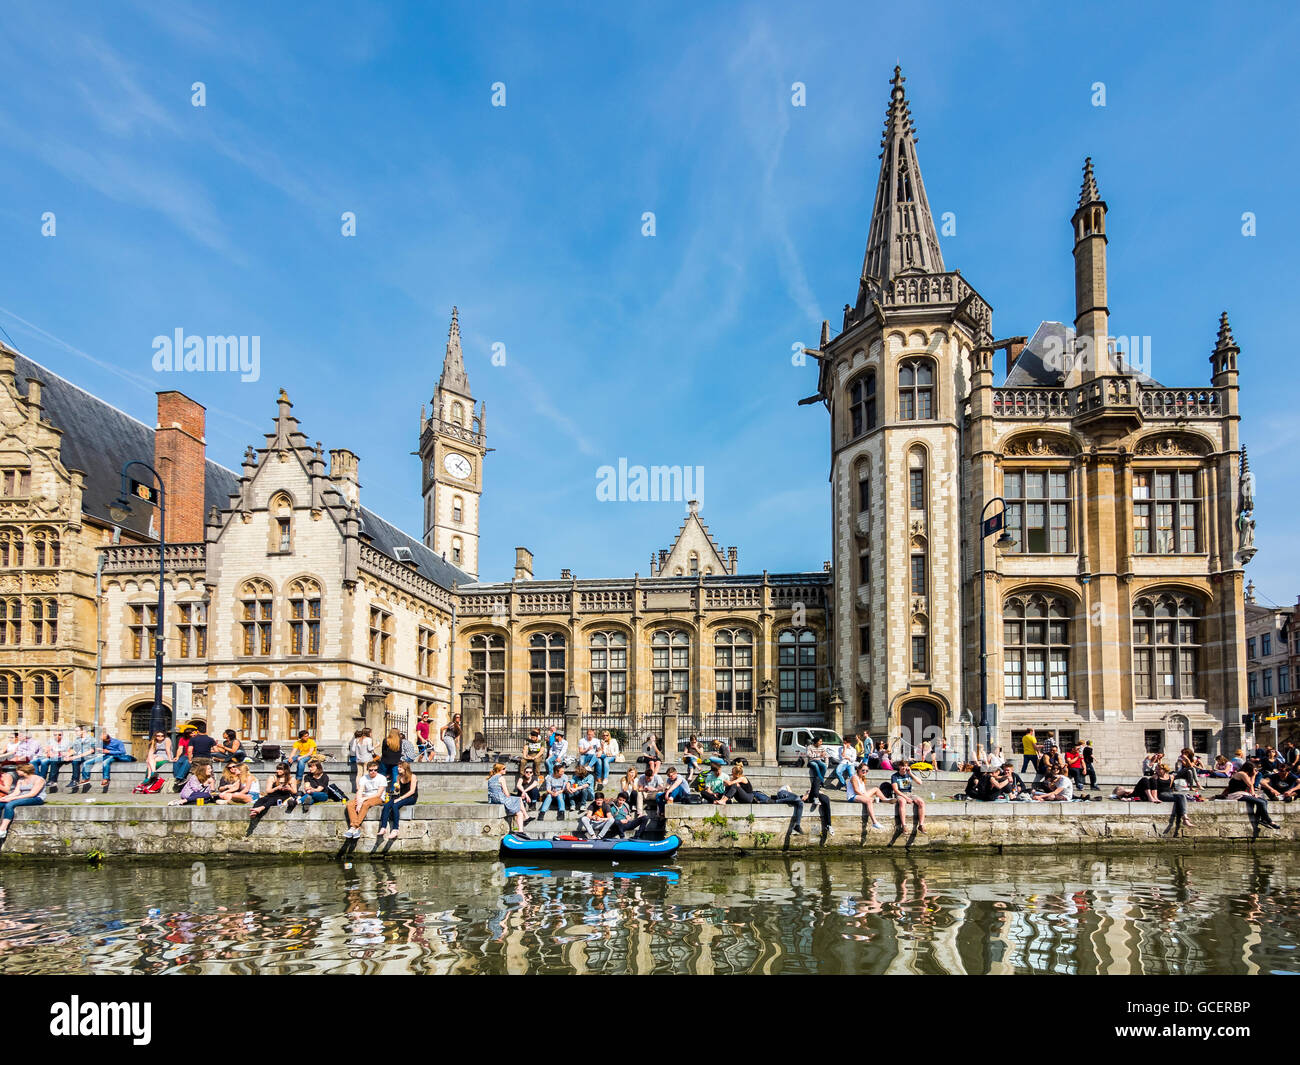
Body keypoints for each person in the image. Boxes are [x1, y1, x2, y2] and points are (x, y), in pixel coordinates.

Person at [1217, 757, 1280, 835]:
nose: (1255, 771)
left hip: (1243, 793)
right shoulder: (1242, 773)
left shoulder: (1245, 774)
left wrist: (1254, 794)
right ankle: (1269, 821)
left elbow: (1251, 786)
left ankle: (1261, 819)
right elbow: (1250, 784)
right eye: (1254, 769)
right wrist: (1253, 775)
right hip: (1236, 795)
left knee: (1264, 801)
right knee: (1261, 802)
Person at [0, 763, 46, 840]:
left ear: (24, 770)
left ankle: (3, 829)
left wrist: (13, 799)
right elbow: (16, 792)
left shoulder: (39, 779)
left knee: (10, 804)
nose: (16, 771)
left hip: (36, 798)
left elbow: (32, 794)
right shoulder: (21, 780)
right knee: (1, 803)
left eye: (18, 770)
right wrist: (5, 798)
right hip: (21, 797)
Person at [343, 761, 386, 838]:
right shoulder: (364, 778)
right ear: (368, 770)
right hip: (364, 796)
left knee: (366, 804)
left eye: (375, 770)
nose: (373, 772)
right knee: (350, 805)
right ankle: (356, 829)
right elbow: (360, 790)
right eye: (371, 770)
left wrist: (363, 799)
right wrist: (359, 801)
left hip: (378, 798)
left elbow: (378, 794)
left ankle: (354, 826)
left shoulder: (382, 778)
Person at [377, 762, 419, 841]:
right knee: (386, 805)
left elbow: (412, 791)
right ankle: (383, 827)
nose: (398, 768)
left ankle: (395, 829)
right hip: (401, 796)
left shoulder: (413, 776)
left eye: (400, 767)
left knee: (395, 805)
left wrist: (400, 798)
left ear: (405, 768)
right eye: (398, 767)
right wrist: (397, 788)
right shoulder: (398, 777)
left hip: (411, 797)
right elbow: (398, 790)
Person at [487, 762, 526, 832]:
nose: (505, 770)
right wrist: (511, 796)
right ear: (499, 770)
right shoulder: (501, 778)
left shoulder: (490, 778)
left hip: (493, 800)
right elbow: (507, 793)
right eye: (504, 769)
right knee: (519, 801)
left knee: (519, 810)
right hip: (501, 799)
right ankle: (522, 829)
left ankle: (525, 818)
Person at [171, 725, 195, 792]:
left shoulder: (196, 738)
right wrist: (177, 756)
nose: (194, 734)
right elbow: (180, 748)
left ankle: (180, 778)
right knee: (177, 761)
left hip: (194, 755)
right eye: (192, 733)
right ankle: (178, 779)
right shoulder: (182, 739)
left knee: (187, 762)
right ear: (188, 734)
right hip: (186, 755)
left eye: (194, 733)